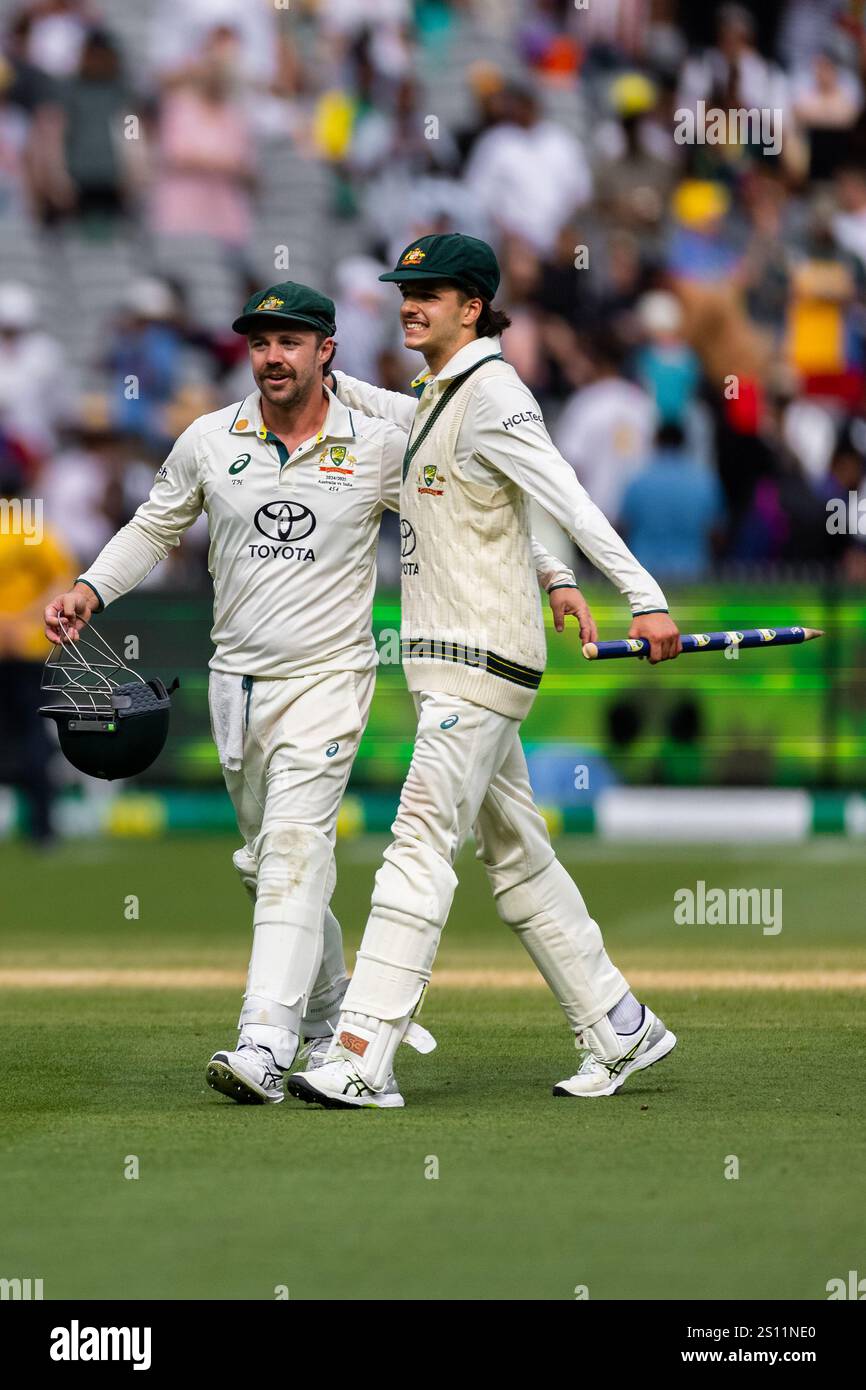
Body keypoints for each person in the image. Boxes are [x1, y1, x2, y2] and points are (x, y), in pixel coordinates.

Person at [43, 277, 579, 1105]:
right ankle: (334, 1018)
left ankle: (264, 1040)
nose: (272, 357)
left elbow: (479, 500)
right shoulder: (209, 439)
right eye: (259, 343)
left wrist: (551, 574)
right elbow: (156, 523)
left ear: (326, 351)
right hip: (234, 684)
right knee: (269, 866)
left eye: (289, 342)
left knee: (296, 850)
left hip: (330, 680)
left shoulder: (374, 446)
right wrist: (91, 588)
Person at [289, 232, 681, 1110]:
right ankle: (619, 1024)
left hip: (478, 660)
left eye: (430, 292)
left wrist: (642, 595)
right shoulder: (444, 391)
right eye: (405, 290)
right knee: (519, 860)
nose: (410, 303)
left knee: (418, 844)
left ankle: (362, 1052)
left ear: (474, 306)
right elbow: (500, 488)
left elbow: (566, 491)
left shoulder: (494, 391)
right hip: (455, 660)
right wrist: (558, 576)